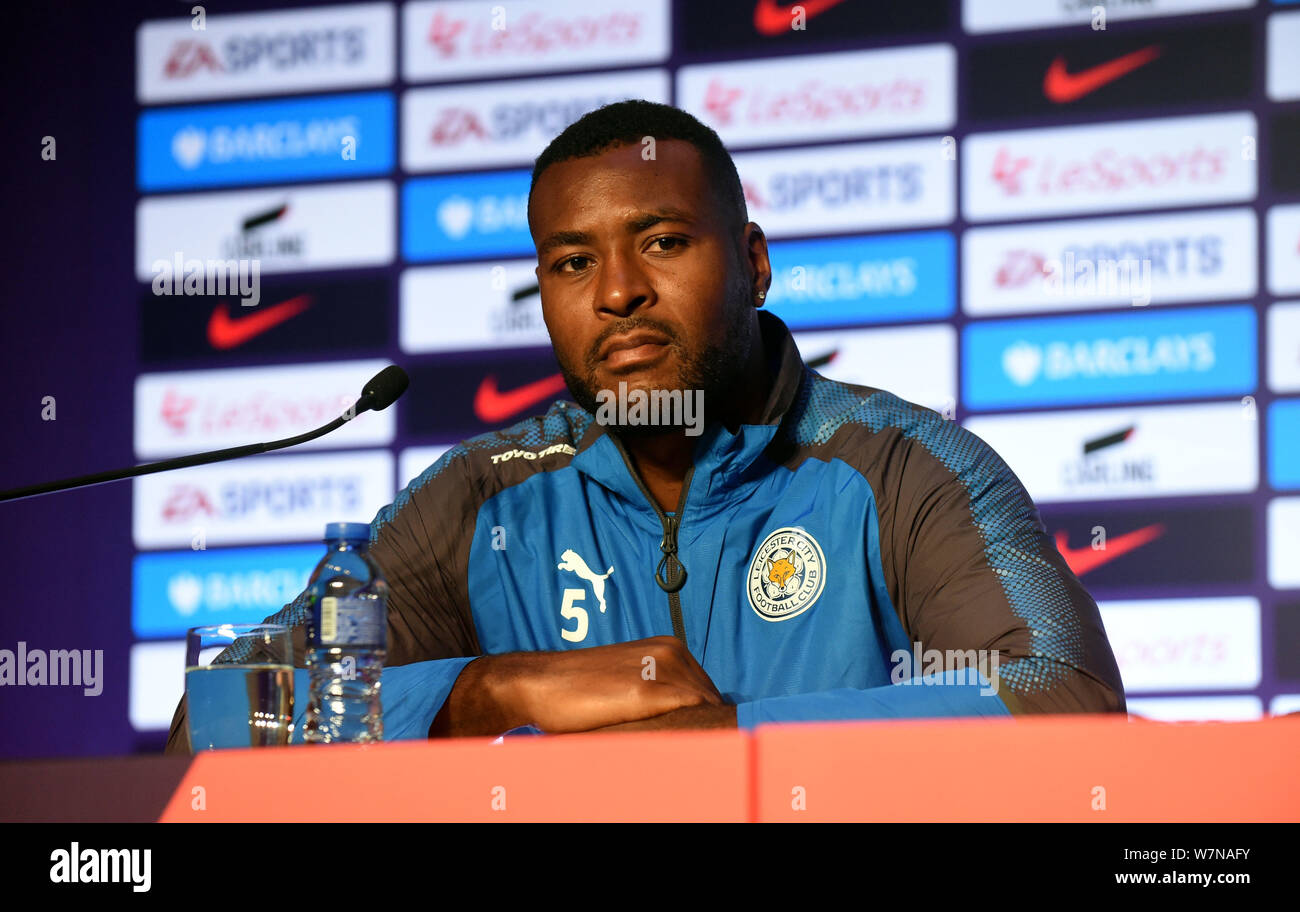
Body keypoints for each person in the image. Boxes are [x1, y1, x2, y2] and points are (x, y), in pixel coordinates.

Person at [165, 100, 1124, 752]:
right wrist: (488, 692)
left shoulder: (905, 468)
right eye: (572, 263)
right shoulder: (479, 500)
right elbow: (212, 719)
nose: (619, 292)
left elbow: (1063, 697)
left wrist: (724, 741)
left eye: (663, 242)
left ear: (752, 262)